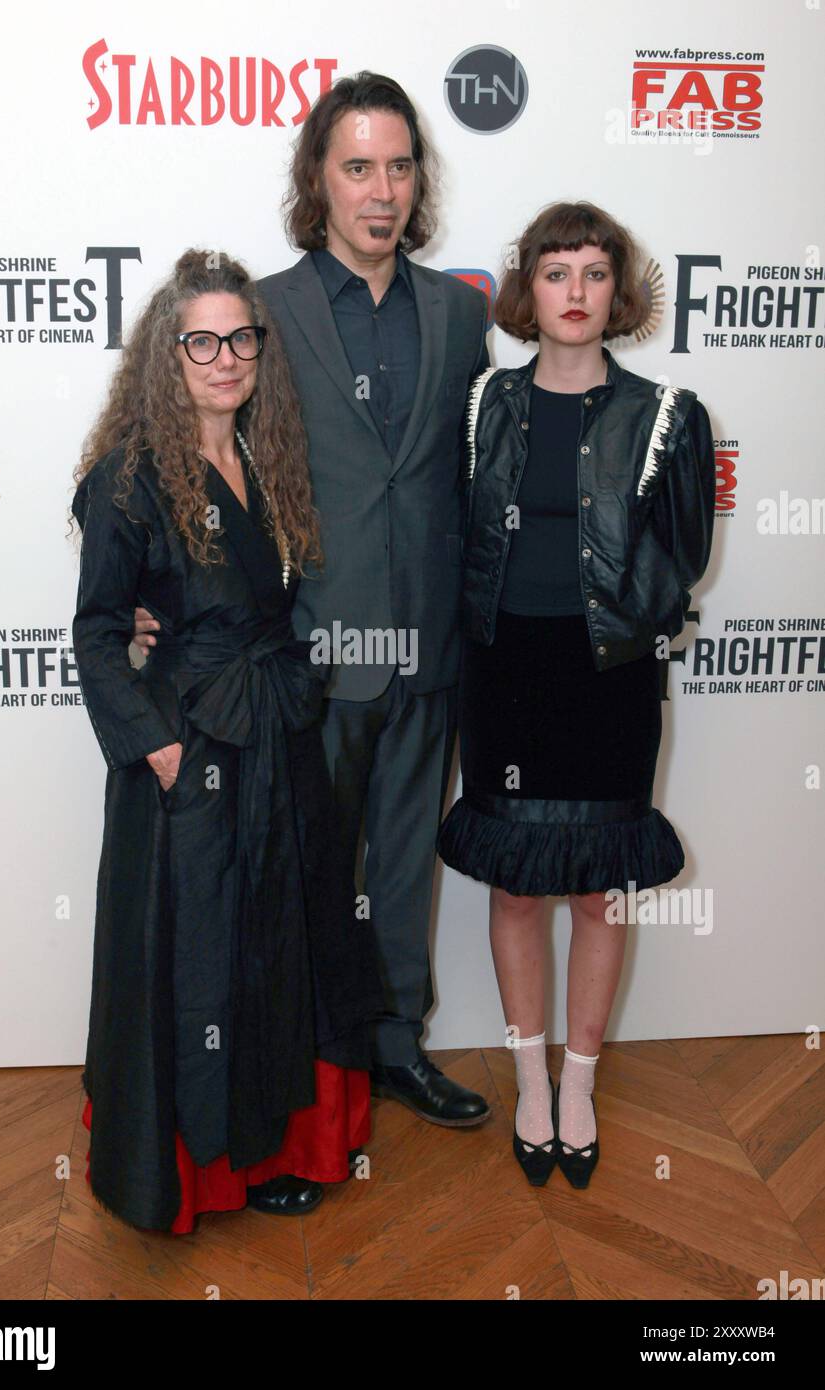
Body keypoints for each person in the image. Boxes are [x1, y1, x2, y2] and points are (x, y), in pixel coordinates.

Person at [135, 74, 492, 1127]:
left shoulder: (464, 314)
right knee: (297, 877)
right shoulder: (267, 314)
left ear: (416, 179)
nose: (380, 191)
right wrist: (151, 592)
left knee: (403, 870)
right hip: (305, 651)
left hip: (426, 645)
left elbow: (465, 478)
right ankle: (303, 1073)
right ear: (319, 179)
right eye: (356, 167)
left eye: (397, 166)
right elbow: (191, 448)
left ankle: (394, 1049)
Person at [70, 249, 384, 1234]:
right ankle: (193, 1169)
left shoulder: (265, 457)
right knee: (199, 958)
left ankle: (271, 1150)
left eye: (239, 337)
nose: (223, 357)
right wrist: (155, 747)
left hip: (277, 745)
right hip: (188, 757)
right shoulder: (127, 477)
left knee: (278, 948)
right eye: (200, 339)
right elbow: (95, 629)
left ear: (258, 348)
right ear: (167, 352)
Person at [437, 201, 716, 1188]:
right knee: (518, 883)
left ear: (617, 292)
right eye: (556, 273)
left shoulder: (667, 413)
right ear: (530, 289)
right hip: (506, 668)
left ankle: (581, 1081)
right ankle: (529, 1077)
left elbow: (682, 556)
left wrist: (629, 628)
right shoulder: (485, 404)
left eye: (594, 274)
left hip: (607, 677)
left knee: (598, 888)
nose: (575, 293)